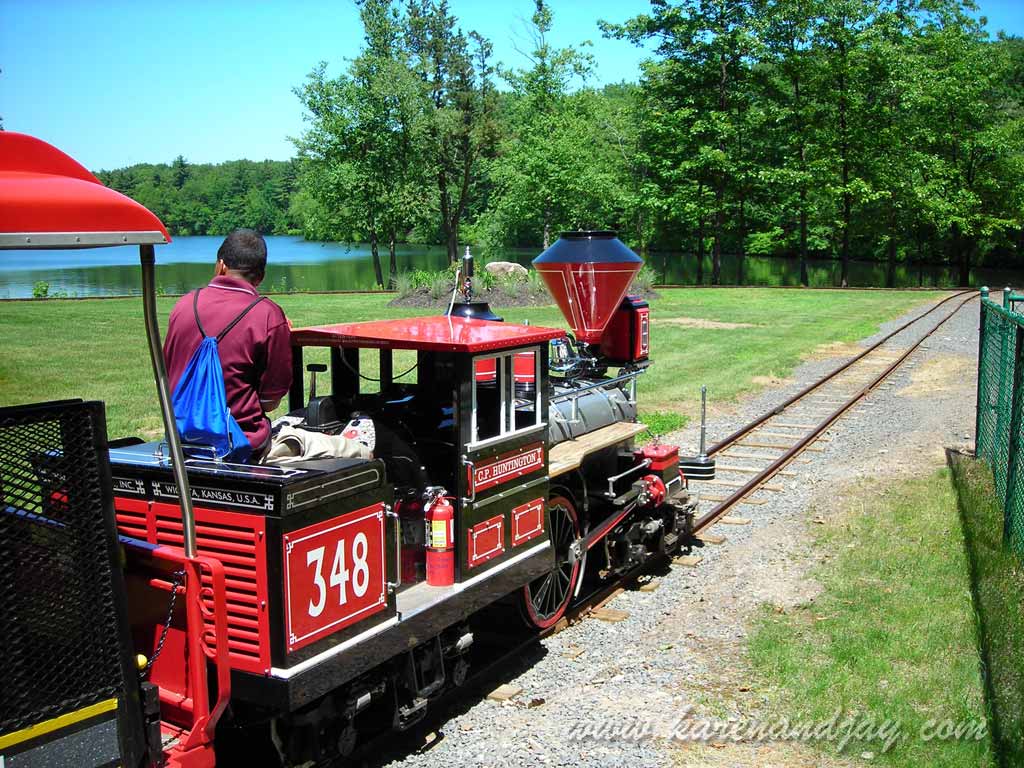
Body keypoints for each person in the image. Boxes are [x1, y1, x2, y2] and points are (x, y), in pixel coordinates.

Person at [164, 229, 373, 462]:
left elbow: (170, 374)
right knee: (358, 450)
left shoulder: (182, 307)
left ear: (220, 266)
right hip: (243, 446)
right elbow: (270, 402)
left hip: (180, 440)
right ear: (261, 276)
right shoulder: (267, 315)